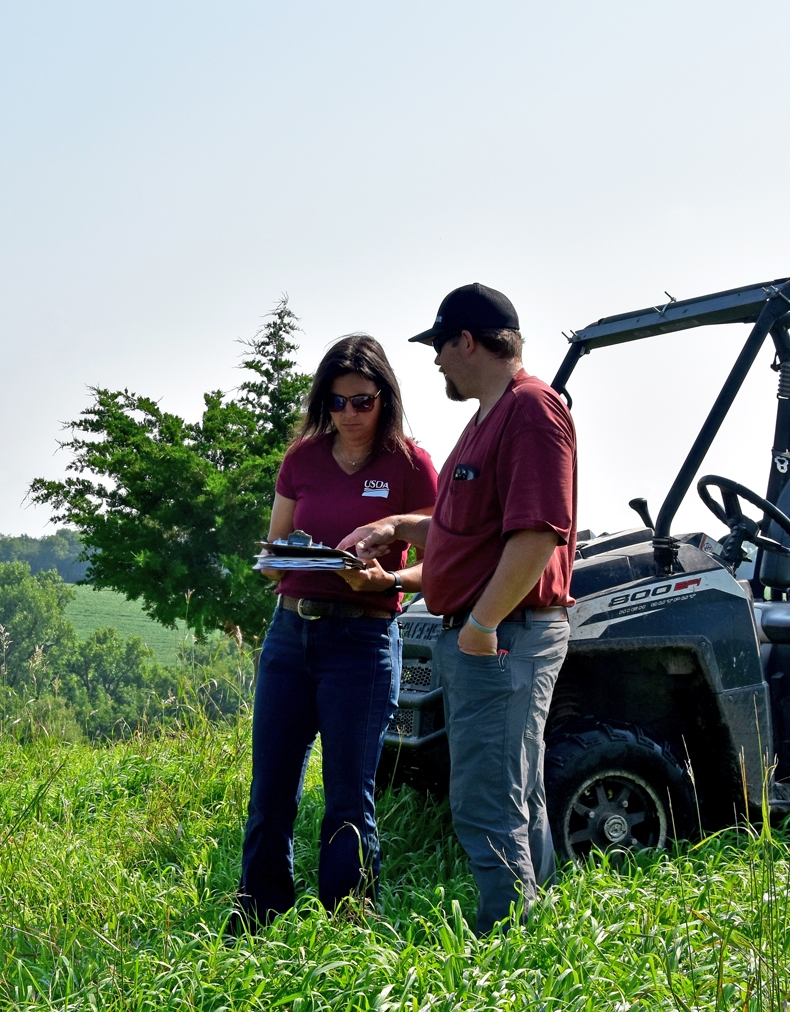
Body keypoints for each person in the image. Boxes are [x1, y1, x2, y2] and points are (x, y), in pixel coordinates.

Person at [339, 283, 577, 931]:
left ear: (466, 341)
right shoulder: (487, 419)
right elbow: (465, 537)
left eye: (439, 347)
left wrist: (480, 625)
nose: (436, 361)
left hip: (505, 636)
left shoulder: (531, 412)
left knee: (485, 801)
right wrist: (395, 533)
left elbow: (536, 535)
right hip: (496, 632)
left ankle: (506, 947)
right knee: (516, 792)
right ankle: (538, 936)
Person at [231, 333, 439, 931]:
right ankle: (256, 917)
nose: (349, 414)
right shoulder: (303, 457)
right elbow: (276, 546)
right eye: (337, 402)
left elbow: (443, 560)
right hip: (290, 635)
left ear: (385, 399)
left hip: (363, 639)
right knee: (271, 789)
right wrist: (279, 562)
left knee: (349, 795)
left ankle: (347, 928)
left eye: (362, 401)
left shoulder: (410, 465)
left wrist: (388, 579)